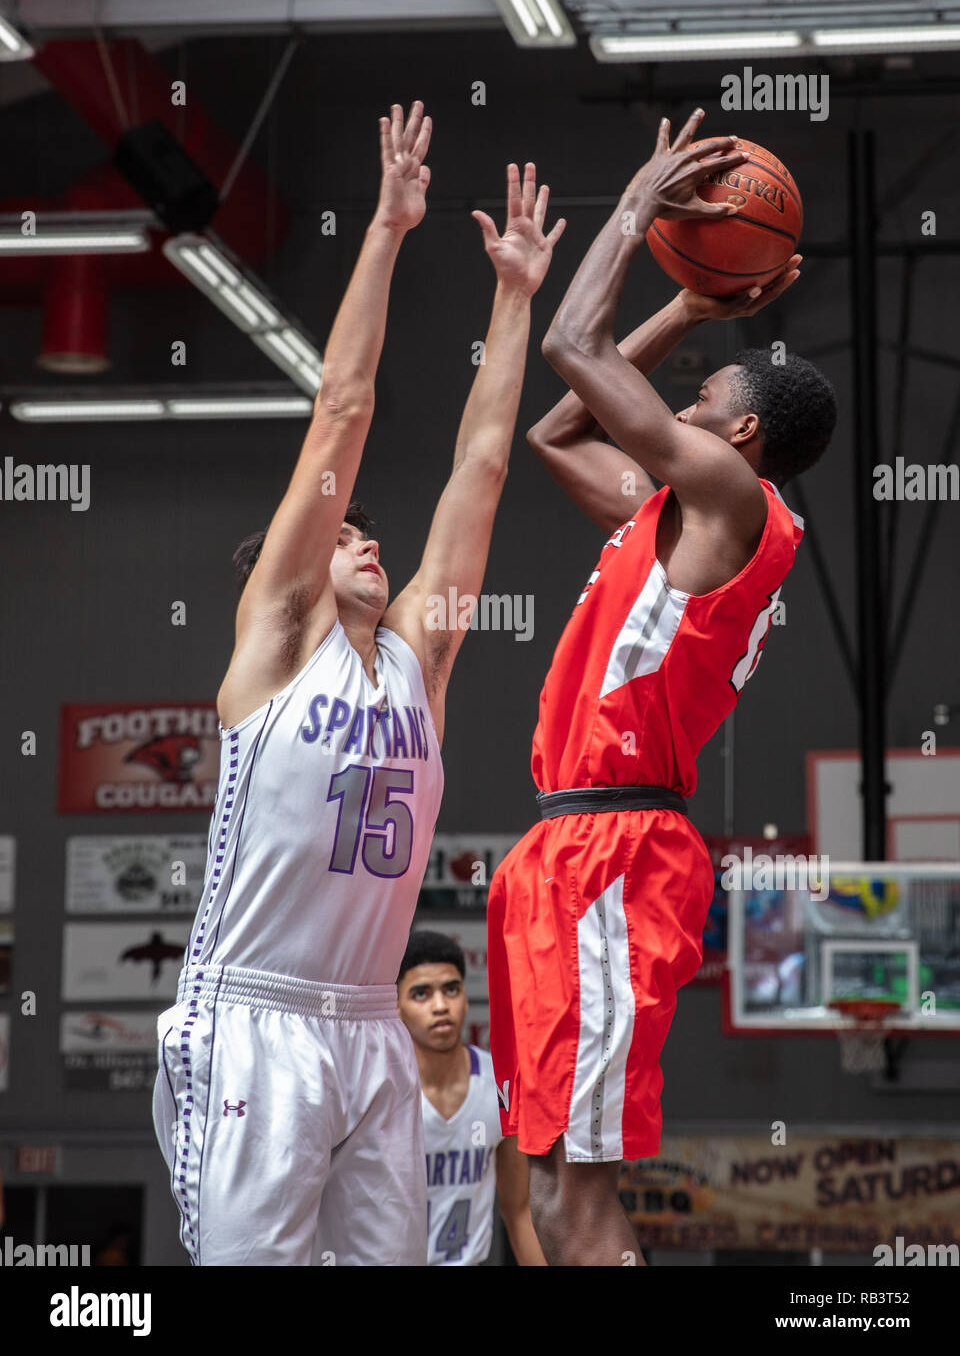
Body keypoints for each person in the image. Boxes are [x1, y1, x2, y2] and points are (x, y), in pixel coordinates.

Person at [152, 100, 564, 1266]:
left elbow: (482, 466)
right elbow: (345, 405)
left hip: (369, 1025)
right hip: (255, 1016)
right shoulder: (281, 639)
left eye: (374, 536)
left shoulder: (420, 661)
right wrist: (387, 228)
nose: (367, 541)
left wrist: (515, 294)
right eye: (347, 536)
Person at [486, 108, 837, 1266]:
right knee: (543, 1183)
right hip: (570, 850)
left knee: (579, 1199)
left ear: (737, 433)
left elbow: (570, 351)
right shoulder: (671, 520)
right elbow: (557, 426)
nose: (673, 408)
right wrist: (687, 302)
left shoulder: (733, 504)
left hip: (616, 856)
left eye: (693, 401)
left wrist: (639, 208)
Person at [397, 929, 546, 1266]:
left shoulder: (500, 1085)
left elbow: (519, 1209)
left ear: (466, 997)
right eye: (421, 994)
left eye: (451, 989)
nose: (440, 1006)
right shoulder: (382, 1091)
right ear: (397, 1006)